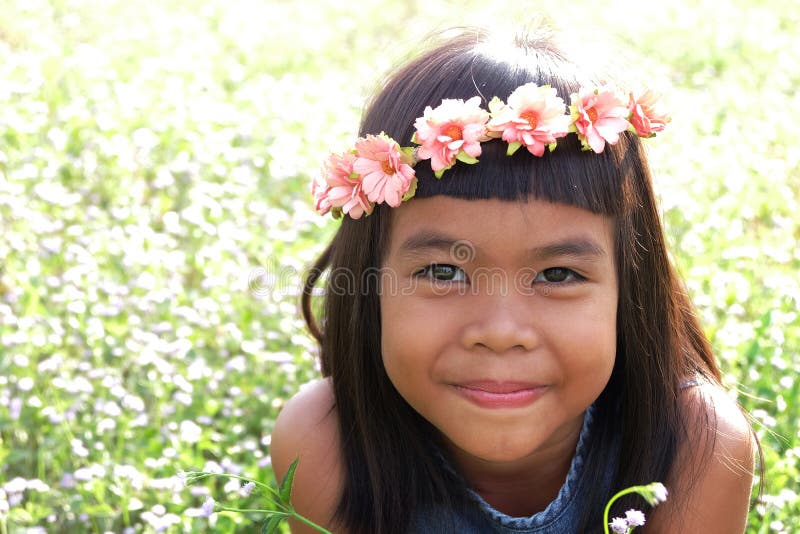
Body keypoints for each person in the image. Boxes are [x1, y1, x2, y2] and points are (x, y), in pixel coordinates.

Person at [270, 27, 757, 533]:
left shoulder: (695, 444)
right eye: (443, 272)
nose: (501, 331)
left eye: (558, 274)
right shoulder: (325, 443)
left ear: (629, 288)